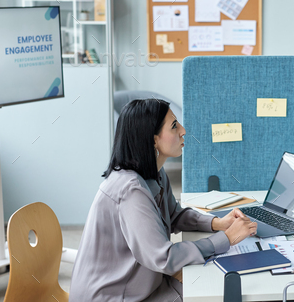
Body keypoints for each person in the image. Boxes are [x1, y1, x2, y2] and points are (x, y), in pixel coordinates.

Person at [69, 99, 257, 302]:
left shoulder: (154, 173)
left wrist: (216, 223)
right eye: (174, 126)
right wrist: (226, 239)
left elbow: (174, 214)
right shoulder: (130, 191)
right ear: (152, 140)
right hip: (114, 296)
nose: (183, 131)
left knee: (212, 287)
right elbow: (165, 257)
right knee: (214, 292)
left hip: (140, 283)